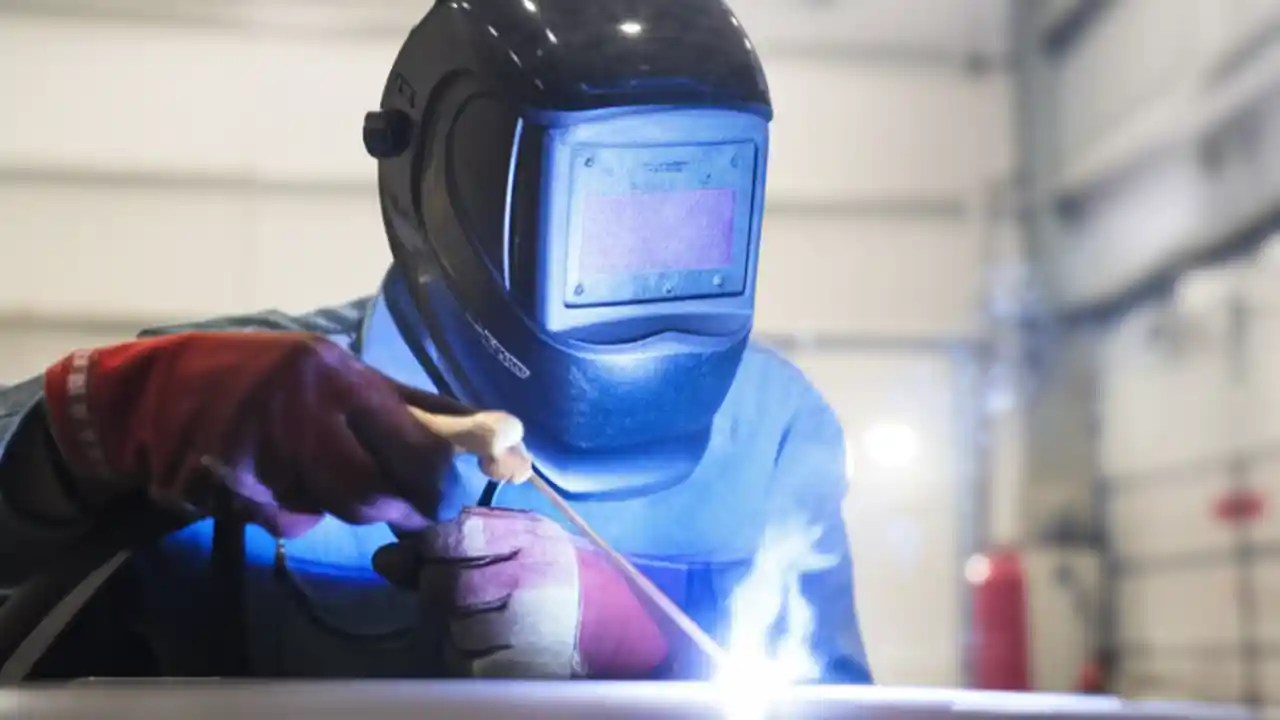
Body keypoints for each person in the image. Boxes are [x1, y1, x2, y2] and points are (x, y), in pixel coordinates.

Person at [0, 0, 872, 682]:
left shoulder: (770, 429)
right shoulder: (254, 408)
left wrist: (647, 640)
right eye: (613, 211)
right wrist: (93, 427)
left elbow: (828, 699)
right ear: (455, 181)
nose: (651, 278)